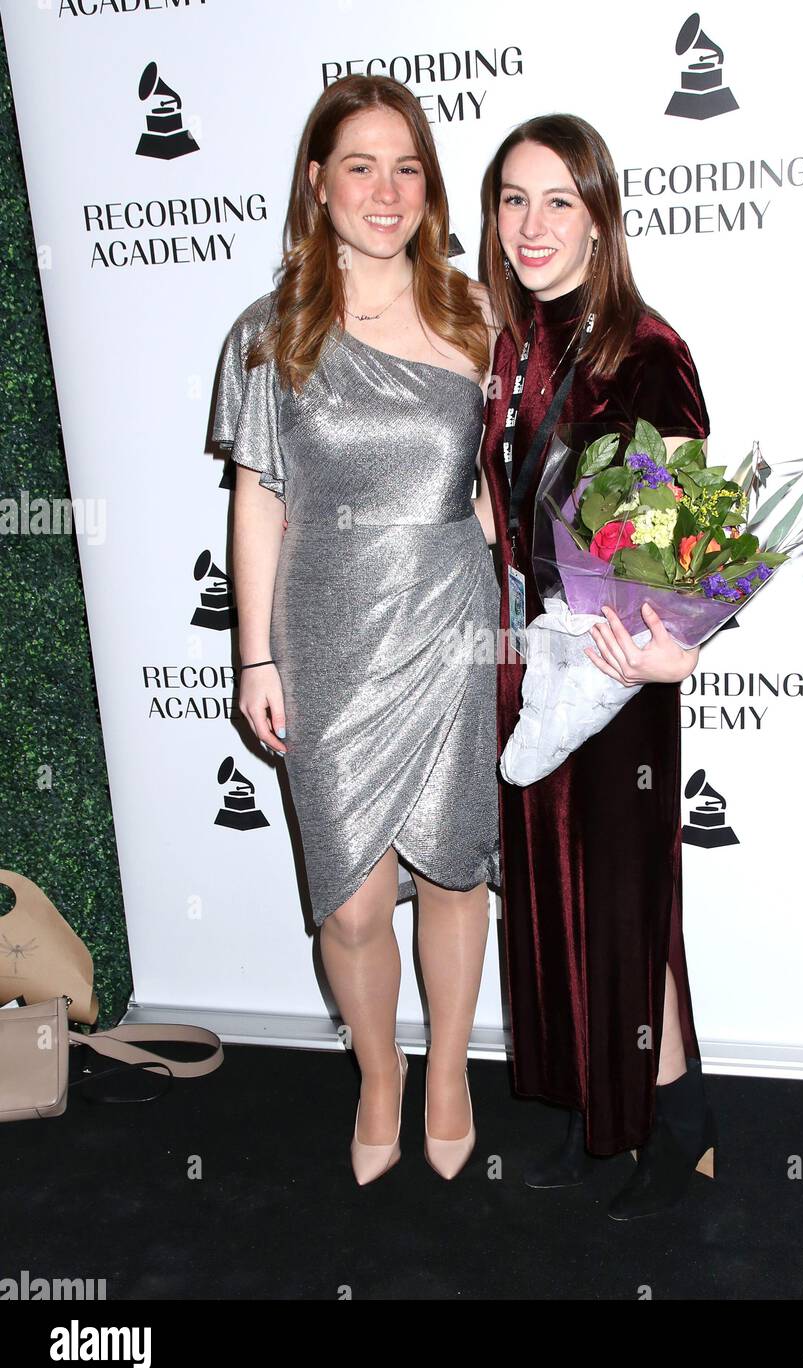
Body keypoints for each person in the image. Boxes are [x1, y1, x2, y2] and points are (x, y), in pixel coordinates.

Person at [210, 75, 500, 1187]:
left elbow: (493, 489)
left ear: (428, 190)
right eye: (360, 166)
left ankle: (446, 1074)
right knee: (353, 895)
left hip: (451, 621)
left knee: (457, 874)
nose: (385, 190)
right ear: (317, 184)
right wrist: (255, 655)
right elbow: (258, 502)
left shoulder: (476, 315)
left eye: (407, 166)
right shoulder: (272, 328)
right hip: (326, 629)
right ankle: (378, 1068)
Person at [475, 114, 717, 1220]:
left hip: (614, 672)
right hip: (530, 664)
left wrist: (675, 643)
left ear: (600, 216)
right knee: (557, 899)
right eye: (513, 200)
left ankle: (662, 1129)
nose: (532, 224)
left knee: (622, 900)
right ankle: (625, 1113)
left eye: (557, 201)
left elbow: (690, 529)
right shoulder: (512, 342)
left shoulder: (644, 349)